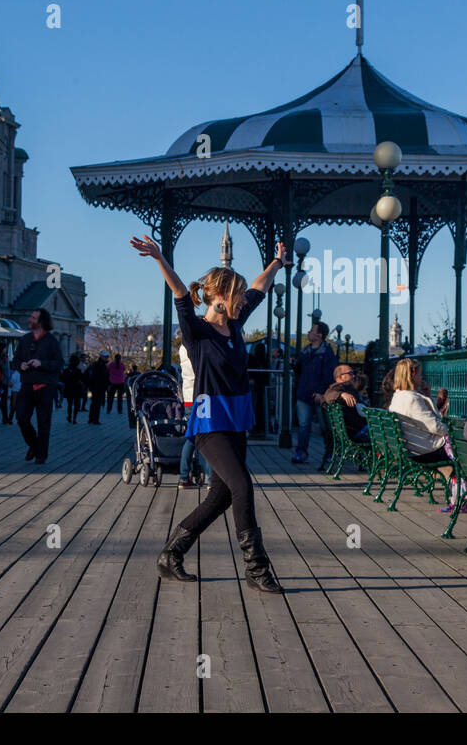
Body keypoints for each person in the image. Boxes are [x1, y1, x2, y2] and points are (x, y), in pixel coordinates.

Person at [133, 232, 287, 593]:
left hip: (236, 419)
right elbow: (181, 295)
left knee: (221, 496)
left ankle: (171, 555)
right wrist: (159, 257)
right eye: (235, 295)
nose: (240, 301)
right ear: (218, 298)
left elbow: (261, 288)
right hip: (208, 422)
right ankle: (257, 568)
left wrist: (278, 262)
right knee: (242, 485)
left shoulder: (234, 323)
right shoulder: (196, 331)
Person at [12, 308, 64, 464]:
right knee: (21, 418)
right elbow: (15, 360)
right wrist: (20, 365)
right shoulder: (25, 339)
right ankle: (34, 444)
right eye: (31, 316)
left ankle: (41, 455)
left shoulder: (51, 341)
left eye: (33, 318)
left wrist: (41, 363)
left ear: (41, 322)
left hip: (45, 387)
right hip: (27, 385)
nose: (30, 319)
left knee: (43, 423)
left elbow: (59, 363)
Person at [387, 358, 450, 464]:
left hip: (412, 448)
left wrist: (427, 395)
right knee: (463, 446)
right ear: (413, 373)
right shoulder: (412, 398)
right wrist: (455, 431)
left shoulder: (397, 396)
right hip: (425, 451)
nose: (422, 377)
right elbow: (435, 426)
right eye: (420, 374)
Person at [292, 322, 337, 465]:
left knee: (325, 426)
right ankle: (301, 451)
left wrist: (322, 393)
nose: (308, 332)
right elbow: (298, 371)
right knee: (304, 425)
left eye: (312, 330)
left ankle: (329, 452)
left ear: (319, 335)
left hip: (320, 396)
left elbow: (329, 375)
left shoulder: (327, 353)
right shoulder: (305, 351)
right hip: (304, 393)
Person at [176, 340, 212, 489]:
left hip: (189, 397)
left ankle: (184, 477)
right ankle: (211, 478)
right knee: (208, 437)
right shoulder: (198, 346)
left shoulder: (183, 347)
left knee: (192, 437)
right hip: (202, 396)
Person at [321, 362, 369, 443]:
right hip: (357, 433)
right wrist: (342, 394)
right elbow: (327, 396)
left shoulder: (348, 388)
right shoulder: (338, 388)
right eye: (350, 373)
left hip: (355, 431)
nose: (353, 376)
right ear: (341, 377)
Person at [86, 352, 110, 424]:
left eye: (107, 357)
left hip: (95, 386)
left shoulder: (96, 364)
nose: (106, 358)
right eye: (105, 357)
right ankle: (95, 419)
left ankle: (91, 419)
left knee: (94, 403)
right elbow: (103, 376)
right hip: (98, 386)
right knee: (97, 403)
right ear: (101, 357)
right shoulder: (100, 365)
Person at [62, 354, 85, 424]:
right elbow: (82, 379)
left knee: (70, 404)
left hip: (69, 388)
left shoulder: (66, 370)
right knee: (76, 404)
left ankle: (69, 416)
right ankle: (74, 418)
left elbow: (62, 379)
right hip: (77, 388)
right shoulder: (78, 370)